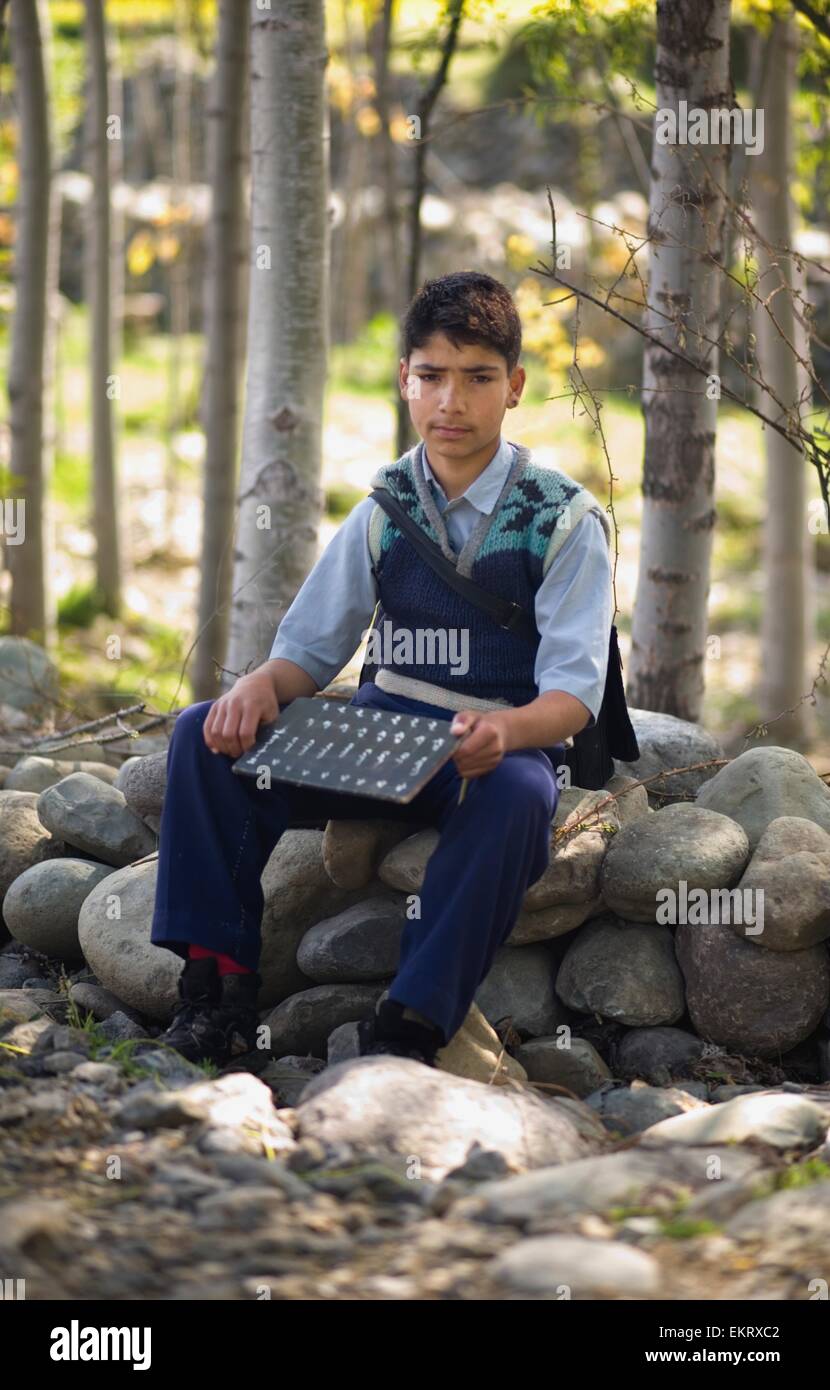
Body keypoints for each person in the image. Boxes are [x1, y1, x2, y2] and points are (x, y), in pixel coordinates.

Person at [149, 270, 614, 1067]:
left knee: (520, 794)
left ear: (515, 388)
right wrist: (262, 683)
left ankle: (411, 1024)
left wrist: (505, 730)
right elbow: (310, 651)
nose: (451, 403)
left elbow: (575, 694)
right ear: (405, 381)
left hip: (491, 751)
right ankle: (216, 993)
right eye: (431, 377)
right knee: (203, 735)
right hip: (379, 742)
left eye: (477, 379)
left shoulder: (563, 519)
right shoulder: (385, 507)